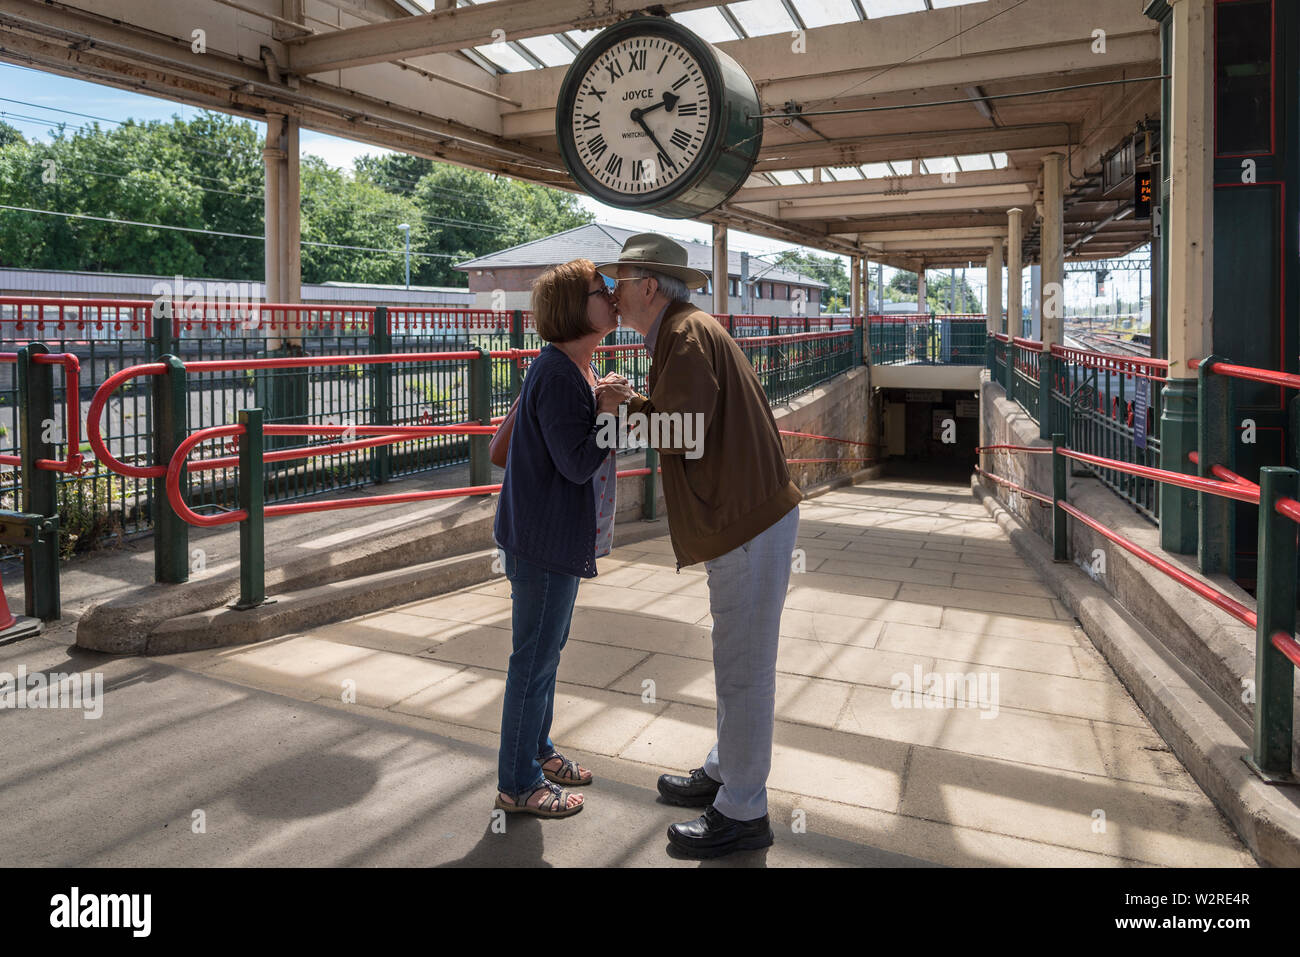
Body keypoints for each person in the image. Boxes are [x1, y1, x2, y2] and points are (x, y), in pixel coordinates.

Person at [595, 233, 802, 858]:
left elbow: (681, 431)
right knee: (735, 656)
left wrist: (619, 407)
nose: (612, 292)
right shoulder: (685, 331)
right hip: (747, 519)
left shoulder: (683, 338)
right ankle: (724, 771)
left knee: (743, 668)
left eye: (620, 282)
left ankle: (743, 810)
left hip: (745, 523)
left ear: (649, 288)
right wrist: (636, 400)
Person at [492, 258, 625, 818]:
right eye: (603, 290)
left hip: (547, 539)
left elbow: (524, 449)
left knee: (546, 654)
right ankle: (518, 784)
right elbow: (575, 463)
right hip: (544, 542)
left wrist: (603, 397)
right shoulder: (558, 375)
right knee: (533, 660)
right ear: (577, 308)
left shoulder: (573, 370)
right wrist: (610, 413)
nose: (614, 297)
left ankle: (538, 752)